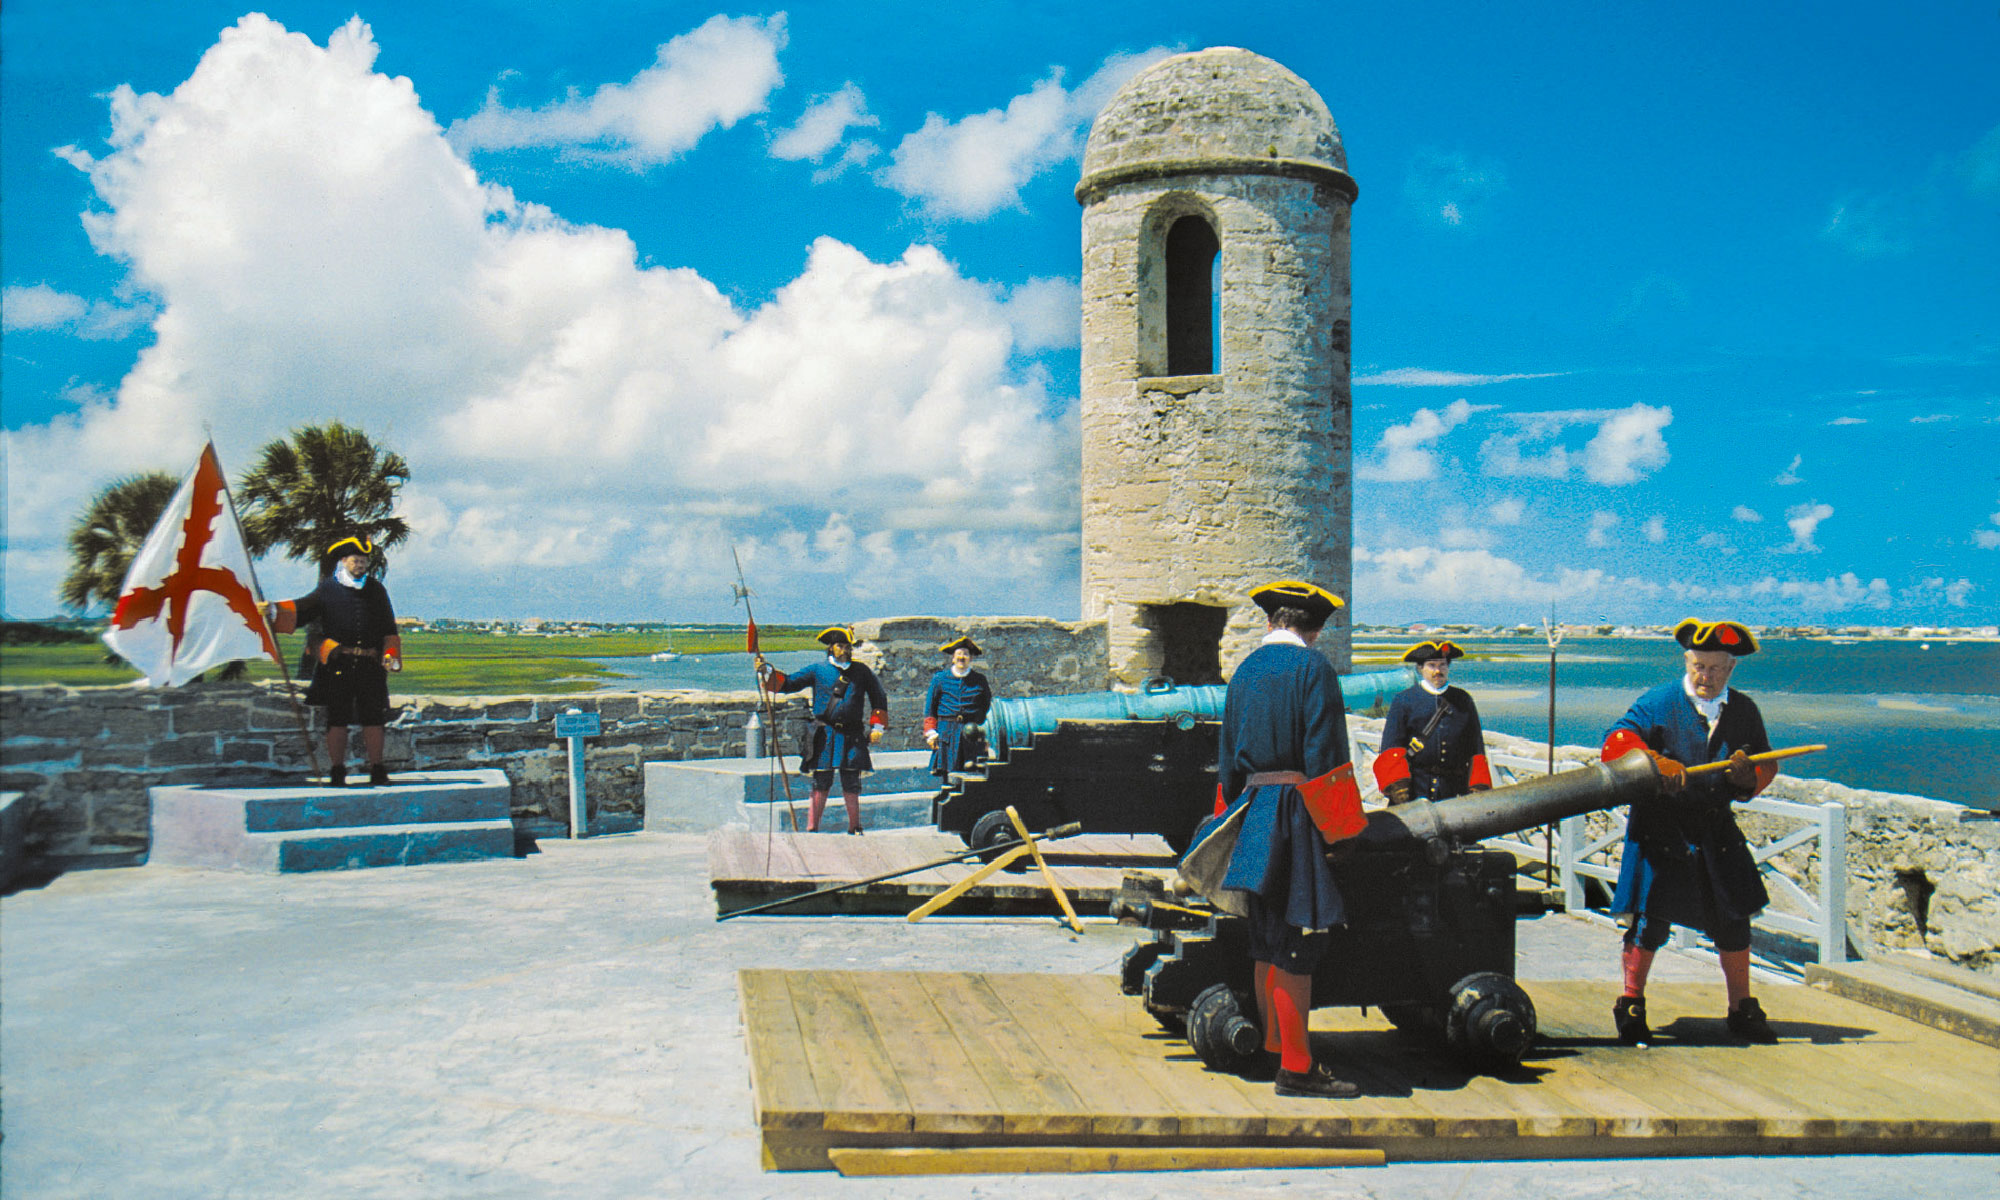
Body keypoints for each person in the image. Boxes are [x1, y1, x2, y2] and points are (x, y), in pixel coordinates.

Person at [1187, 580, 1368, 1099]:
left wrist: (1228, 821)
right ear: (1313, 628)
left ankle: (1273, 1048)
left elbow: (1226, 760)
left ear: (1270, 622)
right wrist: (1340, 832)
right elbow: (1326, 757)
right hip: (1296, 814)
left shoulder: (1244, 671)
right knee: (1299, 942)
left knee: (1267, 940)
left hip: (1252, 813)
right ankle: (1297, 1067)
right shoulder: (1313, 669)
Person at [1602, 618, 1778, 1045]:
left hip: (1715, 831)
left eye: (1716, 668)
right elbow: (1615, 740)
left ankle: (1741, 1008)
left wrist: (1744, 777)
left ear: (1731, 668)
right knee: (1649, 923)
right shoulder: (1659, 701)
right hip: (1662, 831)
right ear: (1687, 660)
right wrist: (1652, 762)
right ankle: (1631, 1003)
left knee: (1734, 921)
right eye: (1699, 666)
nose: (1706, 676)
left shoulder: (1745, 710)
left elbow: (1767, 764)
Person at [267, 535, 402, 787]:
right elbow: (303, 610)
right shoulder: (328, 589)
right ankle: (338, 771)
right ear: (344, 560)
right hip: (337, 666)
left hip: (370, 667)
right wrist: (273, 611)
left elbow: (389, 628)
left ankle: (377, 769)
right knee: (336, 718)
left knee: (373, 717)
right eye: (356, 561)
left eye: (364, 561)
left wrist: (389, 654)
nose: (360, 565)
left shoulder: (376, 590)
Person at [757, 626, 888, 834]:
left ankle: (855, 826)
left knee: (852, 780)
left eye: (847, 646)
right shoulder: (817, 670)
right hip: (825, 734)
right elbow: (790, 683)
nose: (844, 650)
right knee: (821, 780)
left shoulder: (861, 671)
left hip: (852, 734)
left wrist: (877, 726)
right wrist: (768, 672)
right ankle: (812, 828)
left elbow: (879, 697)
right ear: (831, 648)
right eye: (839, 646)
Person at [1371, 640, 1493, 805]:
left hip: (1454, 790)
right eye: (1431, 665)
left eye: (1442, 665)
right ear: (1420, 668)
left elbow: (1475, 746)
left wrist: (1478, 785)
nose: (1438, 671)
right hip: (1415, 787)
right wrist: (1398, 785)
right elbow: (1392, 745)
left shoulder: (1463, 699)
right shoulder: (1404, 700)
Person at [923, 636, 992, 782]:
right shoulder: (940, 679)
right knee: (948, 778)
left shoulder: (980, 680)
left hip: (972, 732)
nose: (962, 657)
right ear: (953, 658)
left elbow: (987, 707)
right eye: (959, 654)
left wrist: (985, 734)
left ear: (971, 659)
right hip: (947, 732)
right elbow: (930, 708)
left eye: (966, 654)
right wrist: (931, 732)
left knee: (974, 774)